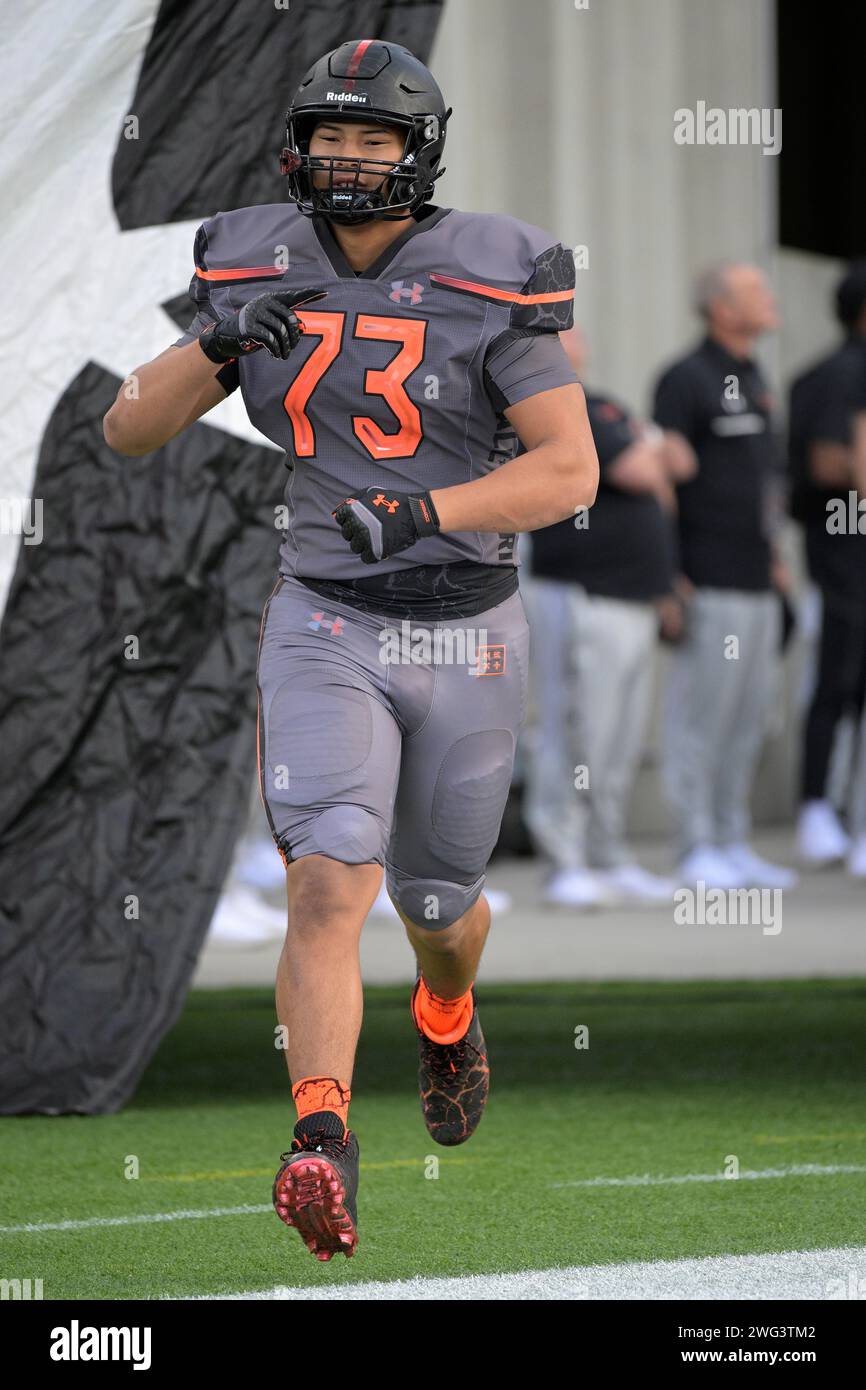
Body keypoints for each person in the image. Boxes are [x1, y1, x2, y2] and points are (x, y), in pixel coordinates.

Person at [102, 39, 598, 1261]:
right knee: (328, 878)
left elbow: (567, 469)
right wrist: (219, 342)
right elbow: (126, 429)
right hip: (324, 614)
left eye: (375, 138)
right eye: (332, 135)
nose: (350, 156)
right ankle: (320, 1138)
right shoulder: (254, 255)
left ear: (418, 153)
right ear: (297, 144)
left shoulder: (492, 270)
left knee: (438, 903)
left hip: (466, 625)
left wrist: (428, 509)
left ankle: (445, 1006)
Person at [525, 326, 684, 906]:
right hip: (581, 591)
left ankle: (607, 852)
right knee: (576, 729)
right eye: (561, 332)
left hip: (636, 595)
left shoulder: (603, 402)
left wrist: (669, 586)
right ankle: (563, 859)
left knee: (618, 739)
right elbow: (643, 470)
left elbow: (668, 470)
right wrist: (652, 450)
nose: (576, 339)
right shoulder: (542, 405)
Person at [652, 262, 797, 891]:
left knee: (748, 717)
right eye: (756, 293)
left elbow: (762, 480)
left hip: (757, 576)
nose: (770, 300)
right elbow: (665, 484)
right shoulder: (684, 379)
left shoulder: (757, 375)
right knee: (704, 717)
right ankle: (695, 846)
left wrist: (777, 557)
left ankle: (732, 839)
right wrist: (671, 573)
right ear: (721, 308)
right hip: (707, 577)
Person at [789, 262, 866, 874]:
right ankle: (819, 808)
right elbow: (828, 465)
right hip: (845, 547)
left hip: (841, 547)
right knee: (840, 676)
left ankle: (836, 809)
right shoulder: (843, 372)